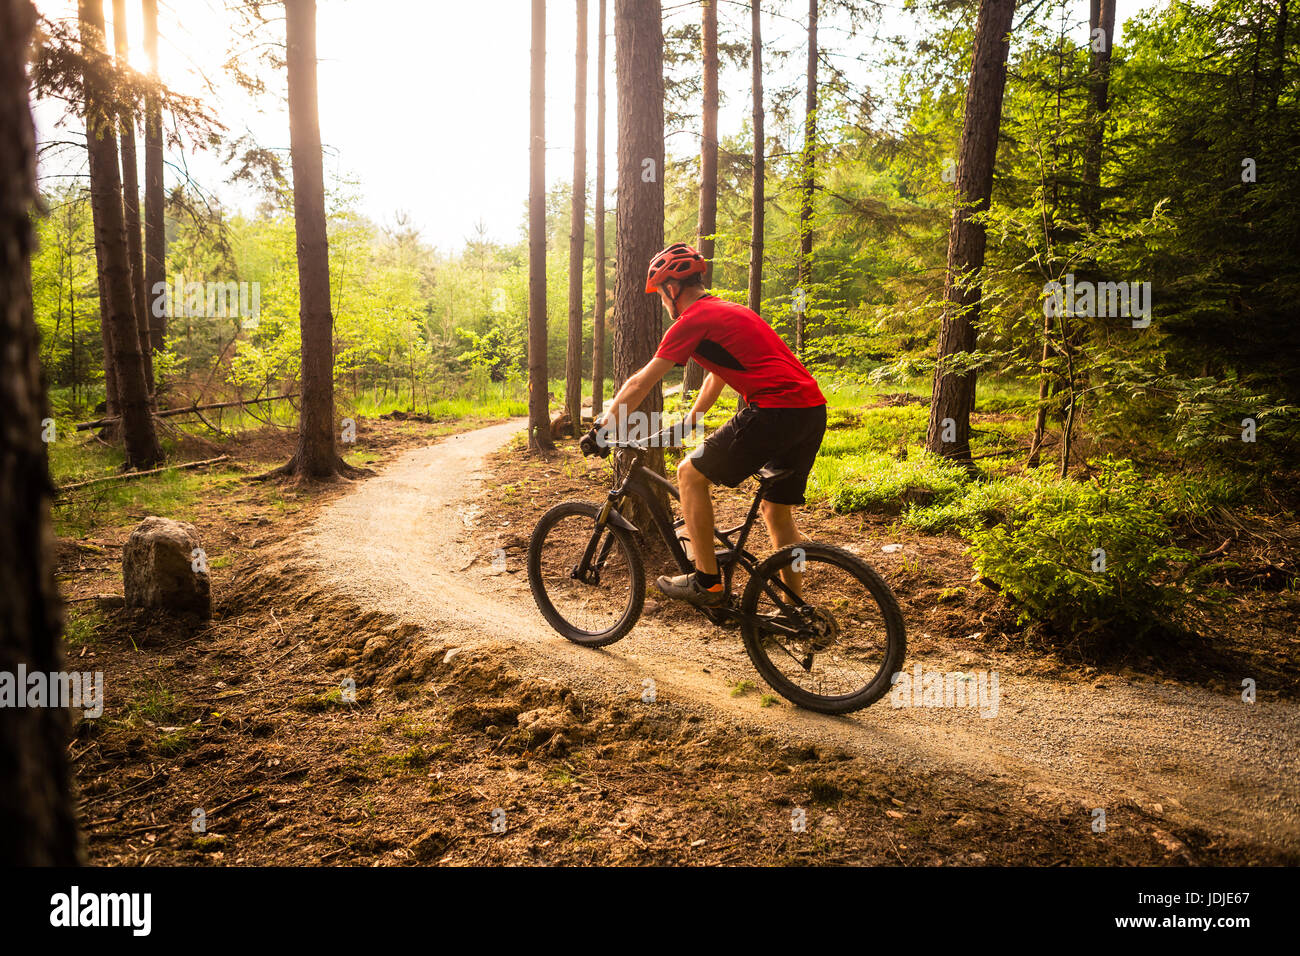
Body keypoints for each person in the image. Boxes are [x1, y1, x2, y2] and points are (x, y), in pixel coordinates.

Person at [580, 242, 827, 607]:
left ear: (671, 289)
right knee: (776, 512)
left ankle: (707, 582)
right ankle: (795, 612)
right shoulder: (729, 312)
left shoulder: (692, 320)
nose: (663, 304)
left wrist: (602, 427)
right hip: (810, 411)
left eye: (661, 294)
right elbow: (719, 373)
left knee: (690, 475)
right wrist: (691, 420)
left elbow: (641, 382)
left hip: (773, 410)